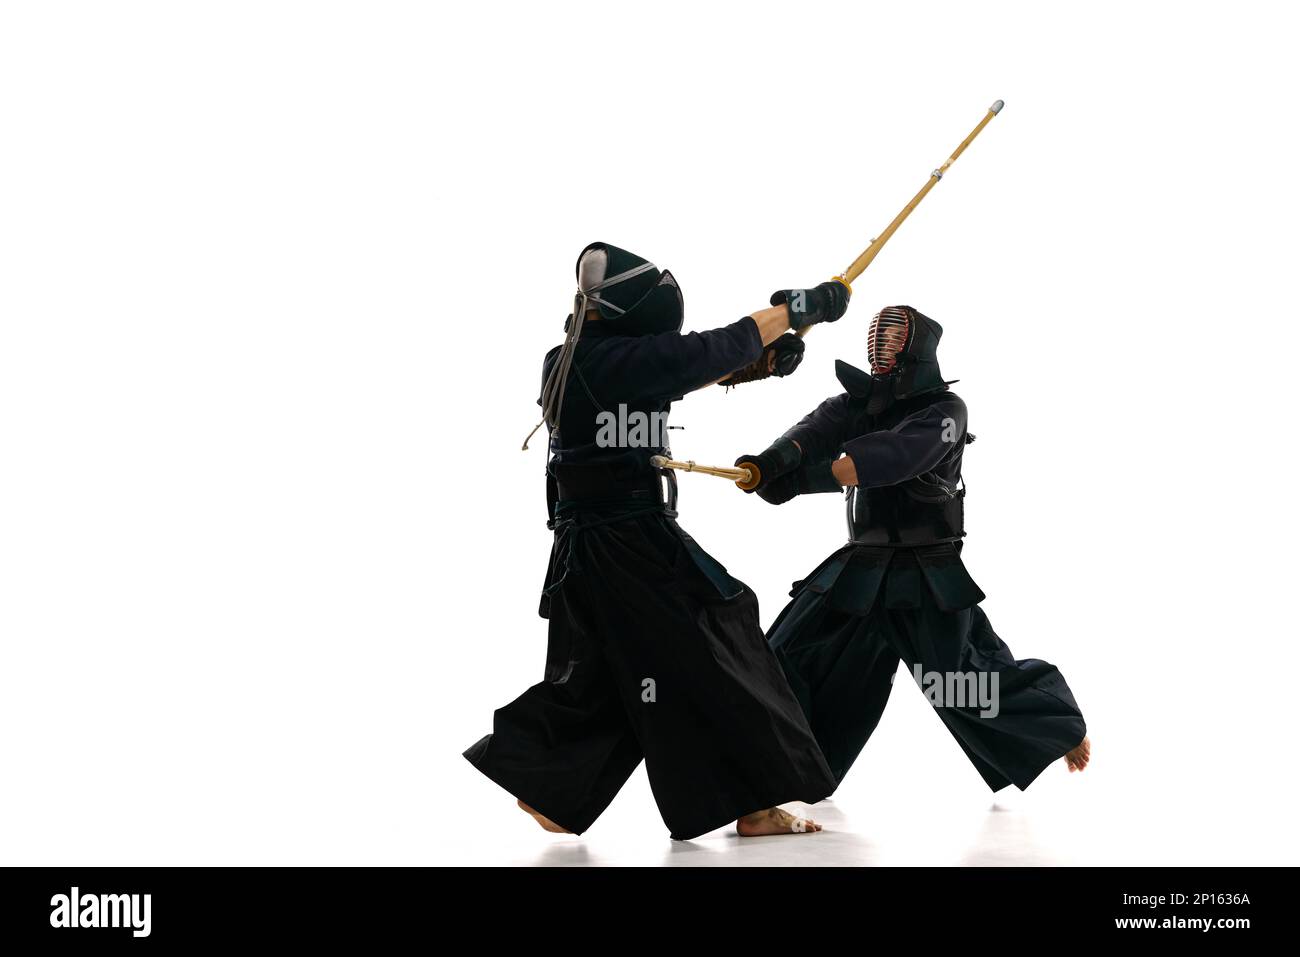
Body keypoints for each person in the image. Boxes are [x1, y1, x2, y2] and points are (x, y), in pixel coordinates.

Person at [464, 242, 847, 839]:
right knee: (721, 634)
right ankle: (756, 803)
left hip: (591, 543)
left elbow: (677, 370)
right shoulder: (617, 362)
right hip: (629, 540)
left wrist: (760, 364)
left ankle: (544, 784)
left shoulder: (570, 358)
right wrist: (804, 306)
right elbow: (706, 350)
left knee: (619, 668)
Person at [735, 305, 1090, 790]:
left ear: (917, 346)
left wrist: (805, 481)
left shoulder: (945, 412)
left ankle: (1058, 727)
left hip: (926, 571)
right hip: (860, 566)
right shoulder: (859, 403)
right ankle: (793, 772)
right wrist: (772, 463)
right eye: (878, 334)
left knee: (960, 679)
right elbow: (813, 432)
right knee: (787, 656)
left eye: (894, 335)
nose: (882, 343)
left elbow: (889, 458)